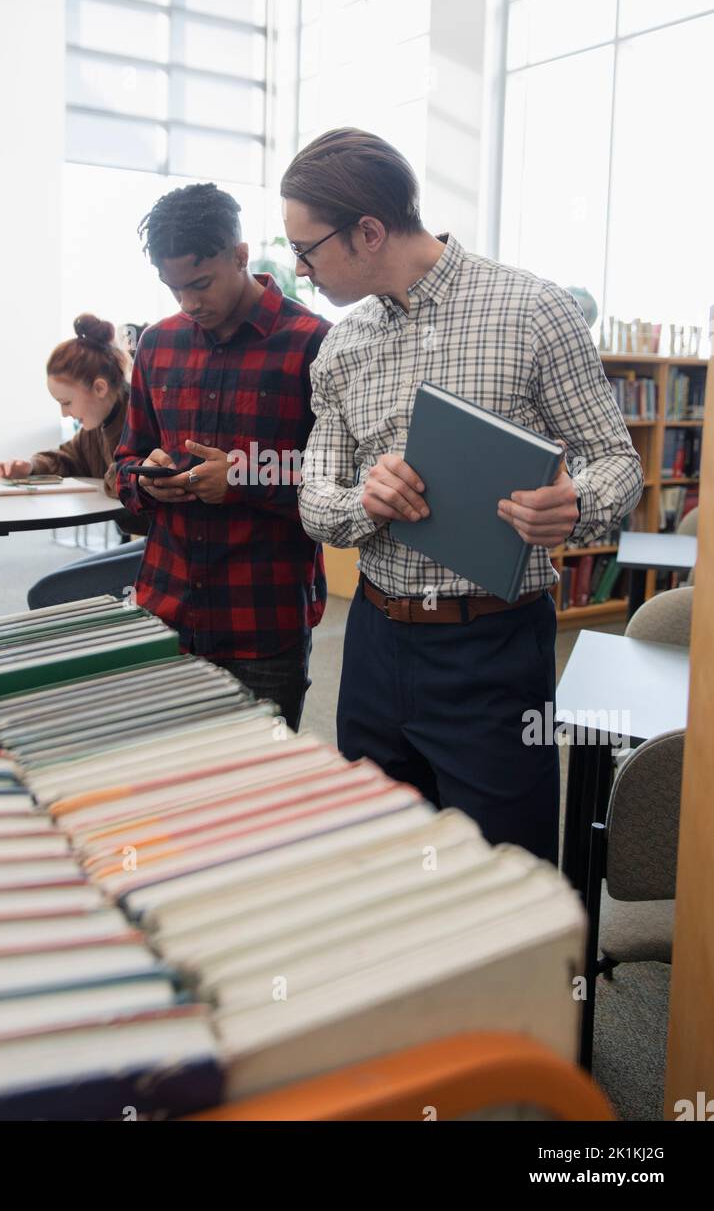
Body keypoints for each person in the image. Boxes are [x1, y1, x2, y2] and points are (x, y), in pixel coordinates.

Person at [284, 128, 643, 863]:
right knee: (385, 861)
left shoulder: (533, 311)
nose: (297, 268)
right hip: (376, 644)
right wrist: (364, 503)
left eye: (307, 249)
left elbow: (616, 462)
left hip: (494, 648)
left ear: (369, 231)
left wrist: (572, 504)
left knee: (507, 878)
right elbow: (314, 497)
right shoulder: (342, 346)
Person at [114, 182, 331, 729]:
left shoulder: (315, 344)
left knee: (258, 799)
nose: (187, 303)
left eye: (200, 283)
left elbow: (339, 479)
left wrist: (243, 477)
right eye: (173, 287)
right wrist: (145, 482)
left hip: (262, 621)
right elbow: (122, 464)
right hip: (164, 611)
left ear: (240, 256)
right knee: (163, 787)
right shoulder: (158, 345)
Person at [0, 314, 149, 539]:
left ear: (99, 388)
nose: (65, 414)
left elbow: (132, 475)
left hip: (163, 546)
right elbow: (68, 458)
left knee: (54, 577)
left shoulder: (141, 418)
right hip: (143, 543)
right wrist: (30, 466)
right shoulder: (97, 427)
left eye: (67, 403)